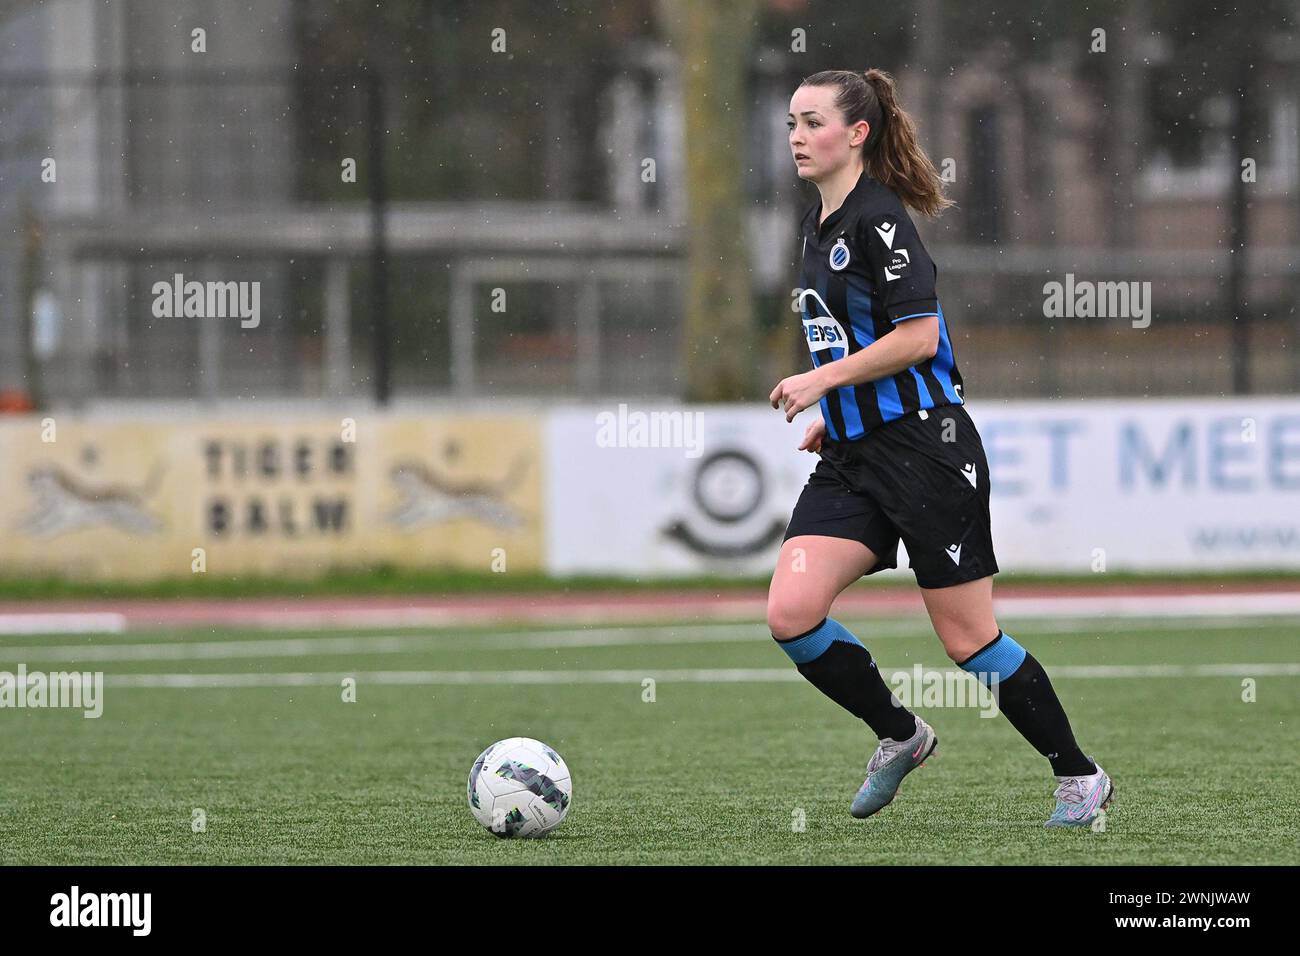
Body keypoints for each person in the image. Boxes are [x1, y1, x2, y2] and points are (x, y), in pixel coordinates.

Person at [767, 68, 1113, 828]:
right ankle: (901, 734)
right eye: (792, 120)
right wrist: (844, 407)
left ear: (857, 134)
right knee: (791, 612)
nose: (796, 134)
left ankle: (1079, 777)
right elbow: (862, 337)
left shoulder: (881, 220)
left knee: (967, 640)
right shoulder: (816, 222)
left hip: (929, 451)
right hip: (855, 454)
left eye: (813, 121)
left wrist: (823, 381)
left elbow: (919, 338)